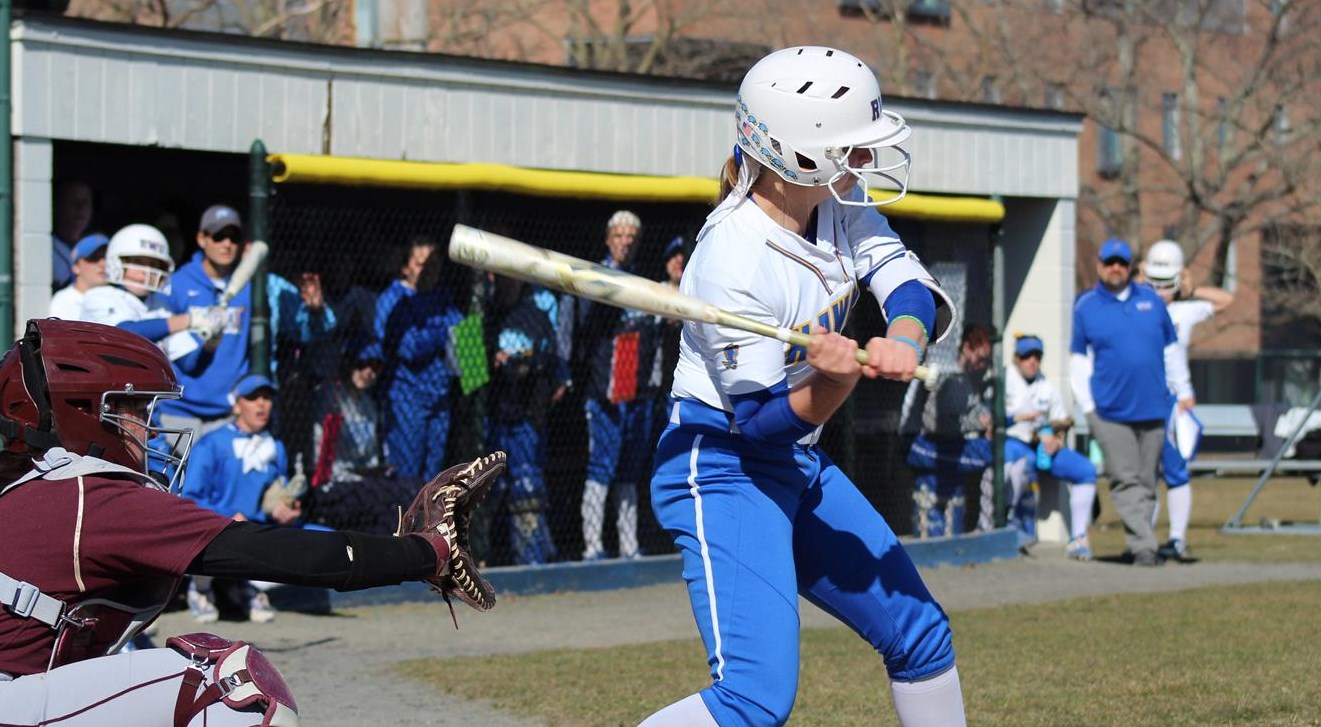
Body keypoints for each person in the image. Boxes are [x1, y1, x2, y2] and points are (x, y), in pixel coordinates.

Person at [641, 46, 964, 727]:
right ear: (796, 155)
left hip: (794, 459)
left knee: (921, 633)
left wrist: (903, 333)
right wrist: (832, 382)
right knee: (754, 699)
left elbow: (904, 283)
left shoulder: (839, 208)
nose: (863, 163)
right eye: (848, 148)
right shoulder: (731, 254)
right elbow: (758, 421)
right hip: (720, 463)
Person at [0, 319, 498, 724]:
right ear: (81, 412)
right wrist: (425, 552)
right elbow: (275, 554)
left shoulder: (33, 487)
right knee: (226, 678)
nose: (144, 426)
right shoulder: (92, 496)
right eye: (131, 407)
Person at [157, 204, 336, 438]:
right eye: (219, 236)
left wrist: (315, 311)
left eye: (234, 237)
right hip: (179, 410)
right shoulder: (177, 283)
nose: (226, 244)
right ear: (202, 239)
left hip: (231, 414)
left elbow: (313, 331)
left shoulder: (261, 287)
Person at [1071, 238, 1179, 566]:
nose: (1115, 268)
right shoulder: (1086, 306)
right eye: (1109, 262)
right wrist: (1089, 408)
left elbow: (1171, 351)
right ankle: (1144, 545)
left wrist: (1177, 392)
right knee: (1125, 477)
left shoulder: (1152, 301)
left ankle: (1140, 542)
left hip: (1153, 407)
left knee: (1147, 480)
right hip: (1109, 411)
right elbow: (1077, 360)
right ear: (1100, 266)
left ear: (1131, 267)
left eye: (1121, 262)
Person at [567, 210, 660, 561]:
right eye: (620, 236)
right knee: (601, 466)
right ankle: (592, 545)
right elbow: (583, 328)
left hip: (635, 388)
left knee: (629, 469)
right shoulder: (594, 278)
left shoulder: (640, 280)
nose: (626, 242)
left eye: (631, 237)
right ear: (608, 239)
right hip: (604, 389)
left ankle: (629, 545)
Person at [179, 374, 301, 624]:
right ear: (236, 405)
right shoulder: (211, 444)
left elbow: (280, 488)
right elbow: (190, 497)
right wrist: (226, 514)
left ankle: (250, 589)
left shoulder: (275, 446)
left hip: (258, 530)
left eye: (267, 398)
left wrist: (285, 508)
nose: (261, 404)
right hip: (218, 527)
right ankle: (201, 589)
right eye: (253, 397)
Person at [1140, 239, 1234, 561]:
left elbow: (1227, 300)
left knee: (1176, 470)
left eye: (1167, 284)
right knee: (1145, 473)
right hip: (1144, 397)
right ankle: (1144, 539)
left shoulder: (1185, 309)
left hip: (1174, 401)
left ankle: (1177, 538)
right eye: (1156, 283)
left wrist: (1193, 289)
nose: (1160, 290)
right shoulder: (1138, 307)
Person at [303, 341, 425, 536]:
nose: (368, 372)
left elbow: (371, 458)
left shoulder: (369, 405)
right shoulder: (330, 398)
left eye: (375, 367)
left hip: (364, 480)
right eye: (362, 364)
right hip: (335, 481)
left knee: (411, 488)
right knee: (384, 505)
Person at [485, 274, 562, 565]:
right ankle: (481, 553)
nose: (506, 284)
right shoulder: (483, 316)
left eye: (511, 279)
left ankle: (531, 555)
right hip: (492, 414)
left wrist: (527, 364)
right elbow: (467, 370)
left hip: (528, 414)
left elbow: (551, 357)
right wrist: (491, 362)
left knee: (527, 484)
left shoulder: (535, 315)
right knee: (488, 486)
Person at [1004, 334, 1098, 559]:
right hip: (1013, 444)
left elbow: (1061, 420)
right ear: (1017, 358)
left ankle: (1077, 538)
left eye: (1037, 356)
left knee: (1086, 471)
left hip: (1042, 449)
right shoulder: (1006, 379)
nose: (1032, 361)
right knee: (1016, 464)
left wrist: (1056, 439)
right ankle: (1009, 528)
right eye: (1027, 356)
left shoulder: (1046, 386)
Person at [81, 223, 224, 369]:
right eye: (138, 262)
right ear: (116, 262)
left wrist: (211, 344)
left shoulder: (160, 306)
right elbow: (124, 334)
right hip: (108, 386)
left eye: (154, 264)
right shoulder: (99, 296)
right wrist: (188, 320)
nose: (145, 271)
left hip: (146, 389)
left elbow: (190, 365)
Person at [378, 241, 465, 478]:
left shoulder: (443, 299)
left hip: (440, 398)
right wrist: (445, 331)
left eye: (433, 264)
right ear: (405, 268)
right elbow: (410, 347)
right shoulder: (393, 298)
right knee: (407, 475)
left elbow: (468, 348)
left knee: (434, 477)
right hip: (408, 399)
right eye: (420, 264)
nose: (428, 271)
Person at [902, 324, 993, 539]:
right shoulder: (944, 370)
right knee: (990, 455)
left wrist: (983, 420)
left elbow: (971, 412)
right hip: (919, 442)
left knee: (990, 454)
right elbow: (939, 420)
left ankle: (969, 527)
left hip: (944, 443)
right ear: (967, 347)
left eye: (984, 361)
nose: (980, 366)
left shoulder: (963, 377)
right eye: (979, 358)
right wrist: (978, 423)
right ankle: (986, 525)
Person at [47, 232, 109, 320]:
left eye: (108, 258)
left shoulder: (118, 297)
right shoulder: (63, 302)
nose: (103, 264)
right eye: (93, 258)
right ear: (75, 267)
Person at [50, 180, 94, 292]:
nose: (81, 207)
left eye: (86, 202)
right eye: (72, 201)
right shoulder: (44, 247)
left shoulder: (98, 248)